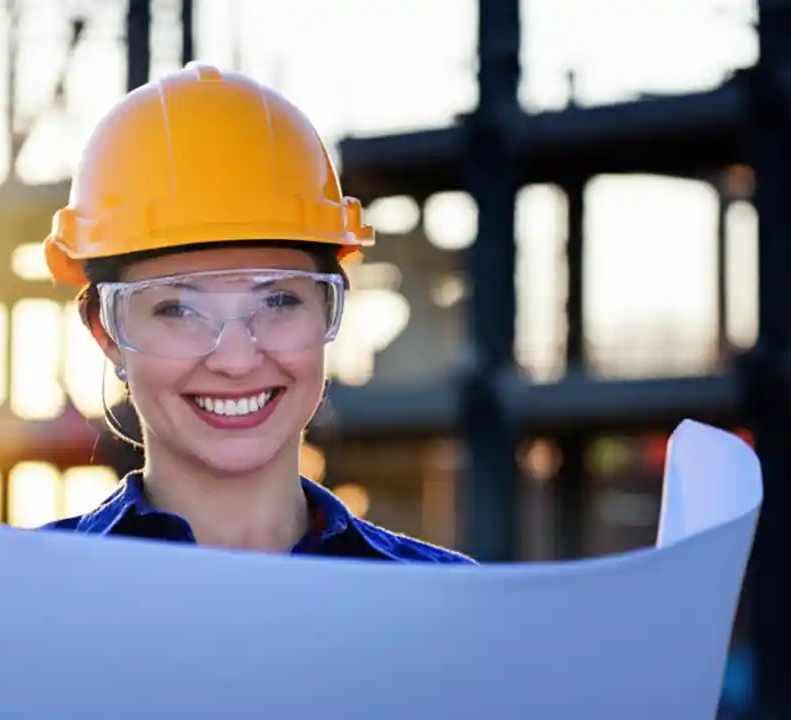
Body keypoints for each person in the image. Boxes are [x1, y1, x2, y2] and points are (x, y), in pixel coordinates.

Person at [39, 63, 473, 565]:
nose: (237, 359)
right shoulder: (24, 603)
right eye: (178, 309)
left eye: (279, 302)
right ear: (105, 331)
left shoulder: (445, 604)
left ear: (329, 310)